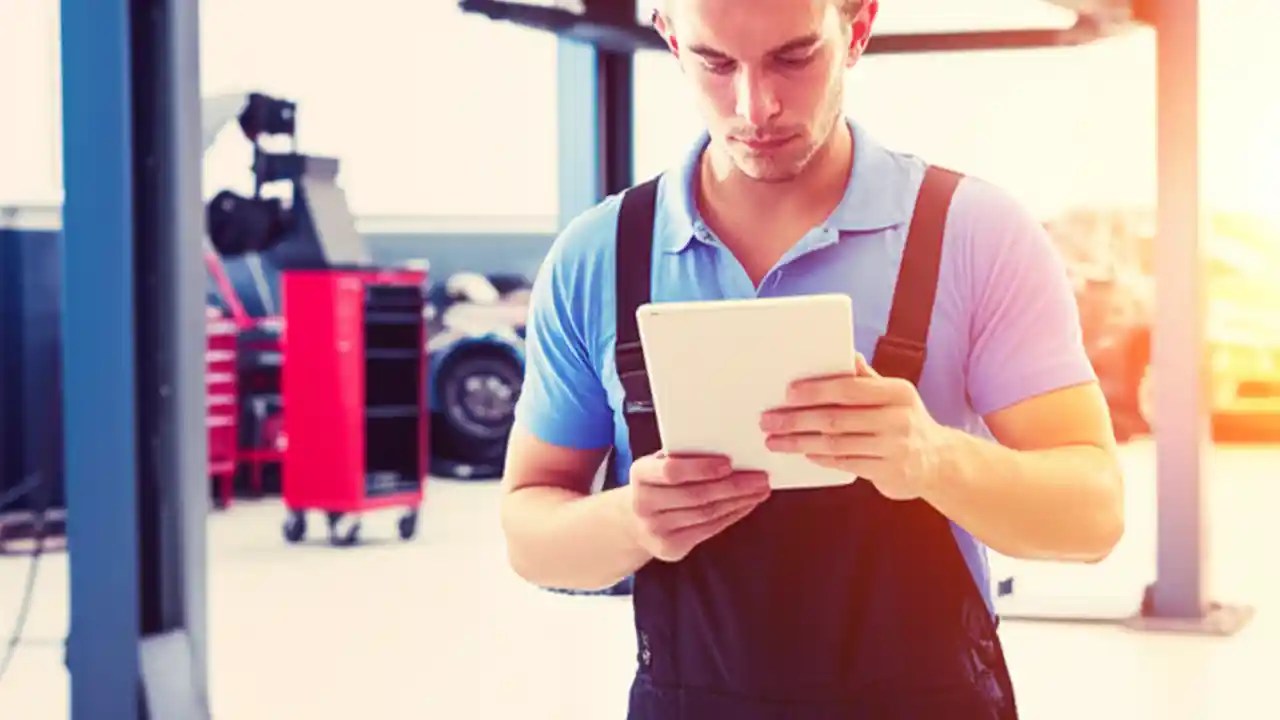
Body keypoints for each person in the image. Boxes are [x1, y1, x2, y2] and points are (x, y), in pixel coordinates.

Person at [499, 0, 1126, 717]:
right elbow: (529, 535)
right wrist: (631, 524)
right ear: (672, 37)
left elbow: (1094, 516)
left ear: (857, 27)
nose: (755, 106)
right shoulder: (598, 256)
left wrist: (934, 460)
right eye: (715, 63)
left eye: (793, 58)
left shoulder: (975, 236)